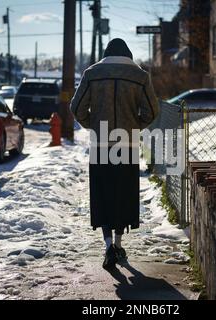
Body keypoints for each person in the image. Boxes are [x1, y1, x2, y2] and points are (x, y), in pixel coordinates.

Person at [70, 38, 160, 269]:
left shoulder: (92, 73)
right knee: (123, 194)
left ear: (106, 53)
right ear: (128, 54)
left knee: (103, 194)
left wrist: (93, 126)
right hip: (127, 146)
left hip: (101, 144)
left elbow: (76, 108)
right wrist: (133, 127)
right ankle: (119, 244)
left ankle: (108, 245)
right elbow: (152, 111)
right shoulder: (140, 76)